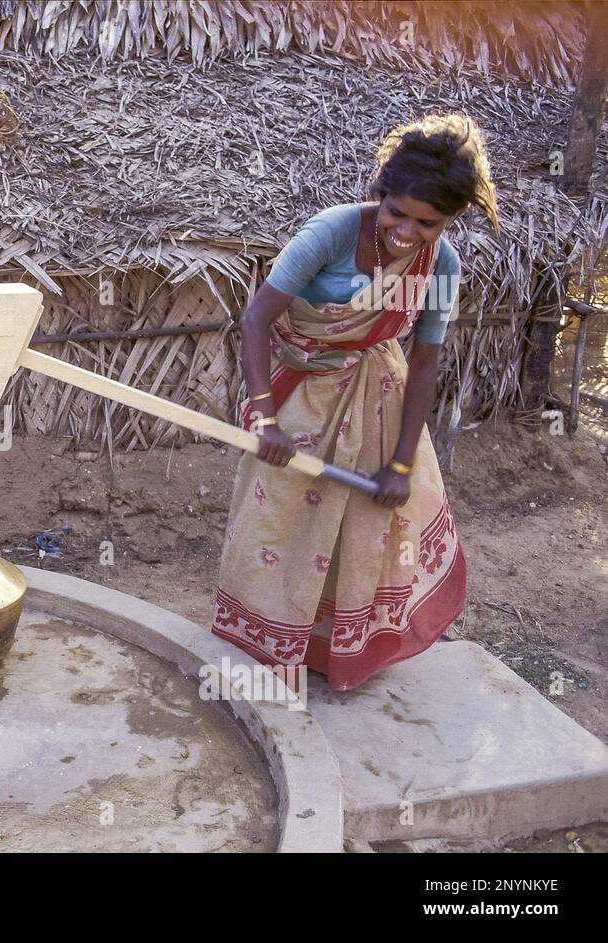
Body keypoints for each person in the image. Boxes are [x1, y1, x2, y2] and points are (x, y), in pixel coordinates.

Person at [212, 113, 499, 692]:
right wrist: (265, 418)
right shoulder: (332, 233)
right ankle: (263, 650)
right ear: (381, 194)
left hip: (380, 399)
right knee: (281, 517)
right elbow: (257, 319)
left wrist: (401, 463)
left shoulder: (441, 264)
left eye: (428, 222)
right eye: (398, 212)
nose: (407, 232)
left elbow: (424, 359)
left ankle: (328, 653)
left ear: (448, 220)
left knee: (363, 525)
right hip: (302, 397)